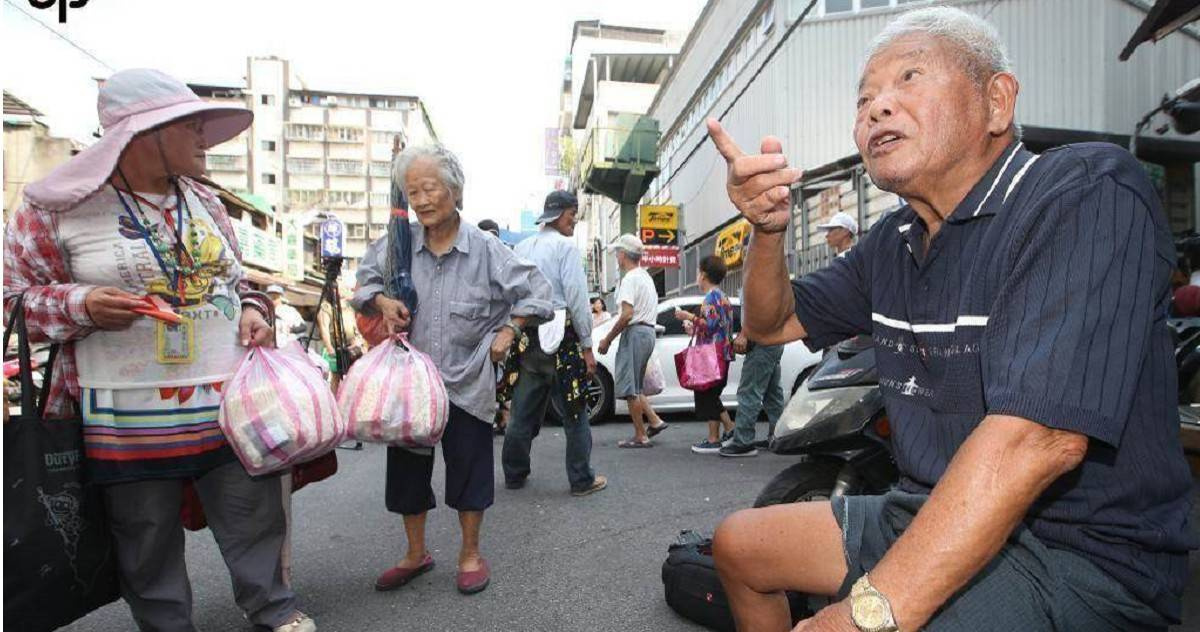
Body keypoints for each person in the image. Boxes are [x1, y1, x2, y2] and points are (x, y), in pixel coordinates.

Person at [707, 7, 1195, 632]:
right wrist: (768, 230)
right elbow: (774, 322)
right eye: (865, 98)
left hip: (1081, 555)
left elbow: (1038, 439)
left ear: (996, 101)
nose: (877, 108)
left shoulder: (1085, 192)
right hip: (930, 507)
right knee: (739, 545)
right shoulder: (894, 240)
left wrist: (866, 616)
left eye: (910, 78)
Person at [3, 69, 314, 632]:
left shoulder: (205, 202)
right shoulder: (55, 209)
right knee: (144, 538)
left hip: (227, 403)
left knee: (255, 515)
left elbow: (240, 284)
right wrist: (82, 304)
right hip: (123, 416)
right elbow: (11, 302)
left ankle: (274, 608)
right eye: (191, 126)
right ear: (144, 134)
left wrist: (253, 309)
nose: (205, 138)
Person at [352, 144, 552, 596]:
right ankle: (415, 553)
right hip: (410, 387)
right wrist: (382, 300)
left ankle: (470, 553)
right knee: (407, 476)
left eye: (429, 188)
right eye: (412, 191)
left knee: (470, 472)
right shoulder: (396, 244)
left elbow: (538, 292)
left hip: (466, 381)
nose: (420, 200)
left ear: (455, 191)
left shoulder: (487, 250)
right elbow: (362, 286)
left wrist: (510, 328)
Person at [501, 190, 607, 496]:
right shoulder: (565, 248)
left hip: (527, 336)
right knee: (574, 411)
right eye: (572, 215)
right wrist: (587, 345)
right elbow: (576, 298)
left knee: (521, 411)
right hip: (563, 338)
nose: (574, 221)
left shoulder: (520, 247)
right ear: (560, 214)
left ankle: (514, 473)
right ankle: (581, 479)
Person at [597, 234, 669, 447]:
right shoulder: (645, 277)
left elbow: (627, 314)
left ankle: (640, 435)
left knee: (630, 388)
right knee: (636, 386)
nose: (617, 257)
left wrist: (607, 340)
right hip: (647, 333)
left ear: (623, 255)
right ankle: (653, 422)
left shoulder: (630, 279)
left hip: (635, 333)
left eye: (618, 253)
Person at [675, 255, 736, 454]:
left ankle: (713, 438)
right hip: (723, 353)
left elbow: (709, 327)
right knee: (712, 394)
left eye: (698, 273)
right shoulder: (723, 297)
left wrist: (688, 316)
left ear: (703, 274)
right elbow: (717, 327)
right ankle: (730, 429)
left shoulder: (710, 298)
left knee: (707, 395)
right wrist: (694, 327)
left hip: (711, 355)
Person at [720, 332, 786, 457]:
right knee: (772, 393)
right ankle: (778, 437)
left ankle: (743, 443)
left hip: (761, 341)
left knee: (749, 392)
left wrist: (744, 334)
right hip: (774, 340)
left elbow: (759, 313)